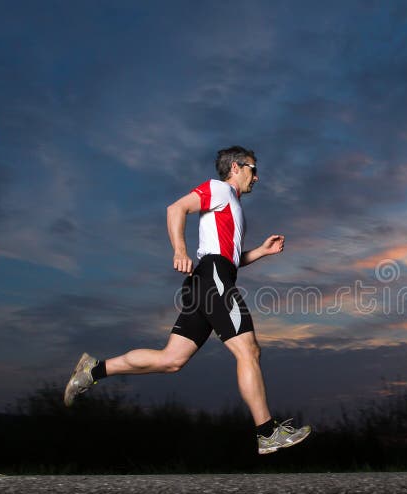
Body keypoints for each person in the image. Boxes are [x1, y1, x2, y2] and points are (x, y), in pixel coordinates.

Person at [63, 146, 311, 455]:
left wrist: (260, 252)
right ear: (236, 167)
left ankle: (93, 370)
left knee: (171, 360)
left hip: (209, 280)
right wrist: (179, 250)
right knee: (249, 350)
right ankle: (267, 432)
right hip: (212, 279)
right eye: (252, 169)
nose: (256, 176)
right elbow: (175, 209)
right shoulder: (219, 188)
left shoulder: (231, 204)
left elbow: (227, 257)